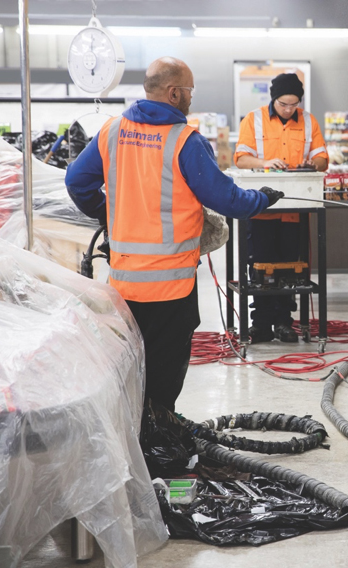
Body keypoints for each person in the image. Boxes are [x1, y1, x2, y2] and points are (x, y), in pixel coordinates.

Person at [65, 56, 282, 411]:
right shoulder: (185, 141)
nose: (192, 97)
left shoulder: (112, 131)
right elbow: (227, 199)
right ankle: (160, 442)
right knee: (164, 376)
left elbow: (76, 182)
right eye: (190, 91)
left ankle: (138, 442)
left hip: (124, 284)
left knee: (132, 366)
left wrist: (111, 216)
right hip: (171, 286)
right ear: (174, 92)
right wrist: (262, 199)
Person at [234, 73, 328, 343]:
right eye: (284, 104)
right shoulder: (253, 120)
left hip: (295, 207)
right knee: (262, 265)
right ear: (273, 99)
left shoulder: (309, 121)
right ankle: (260, 323)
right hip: (261, 207)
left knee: (291, 267)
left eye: (294, 104)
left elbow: (322, 157)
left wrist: (314, 164)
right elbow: (241, 158)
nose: (289, 109)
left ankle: (284, 323)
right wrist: (264, 161)